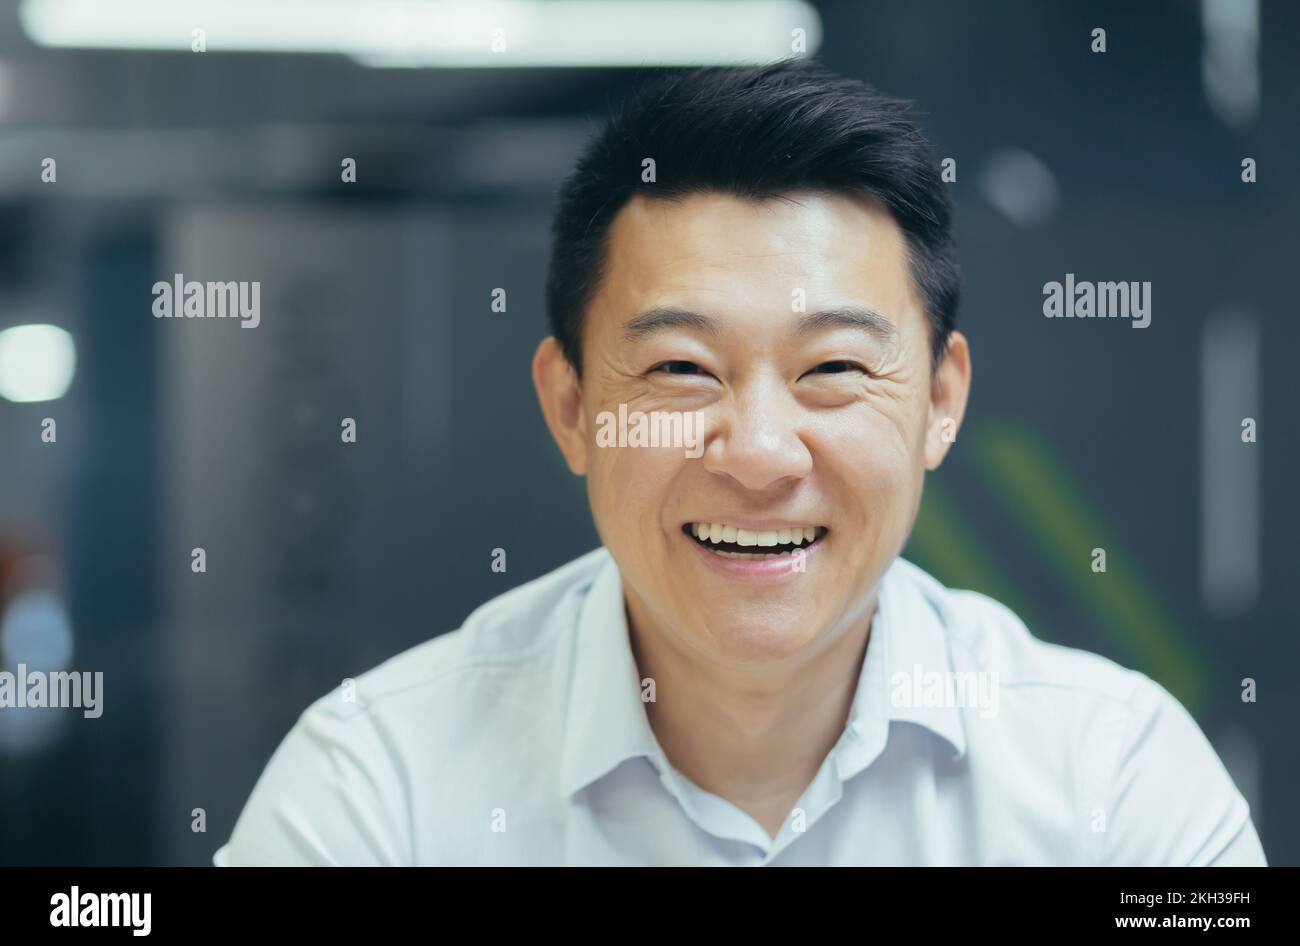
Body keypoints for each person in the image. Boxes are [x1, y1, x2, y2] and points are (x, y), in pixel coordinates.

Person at [216, 60, 1265, 865]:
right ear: (572, 405)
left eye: (833, 368)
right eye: (681, 367)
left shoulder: (1115, 785)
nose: (759, 453)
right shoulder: (378, 791)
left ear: (939, 403)